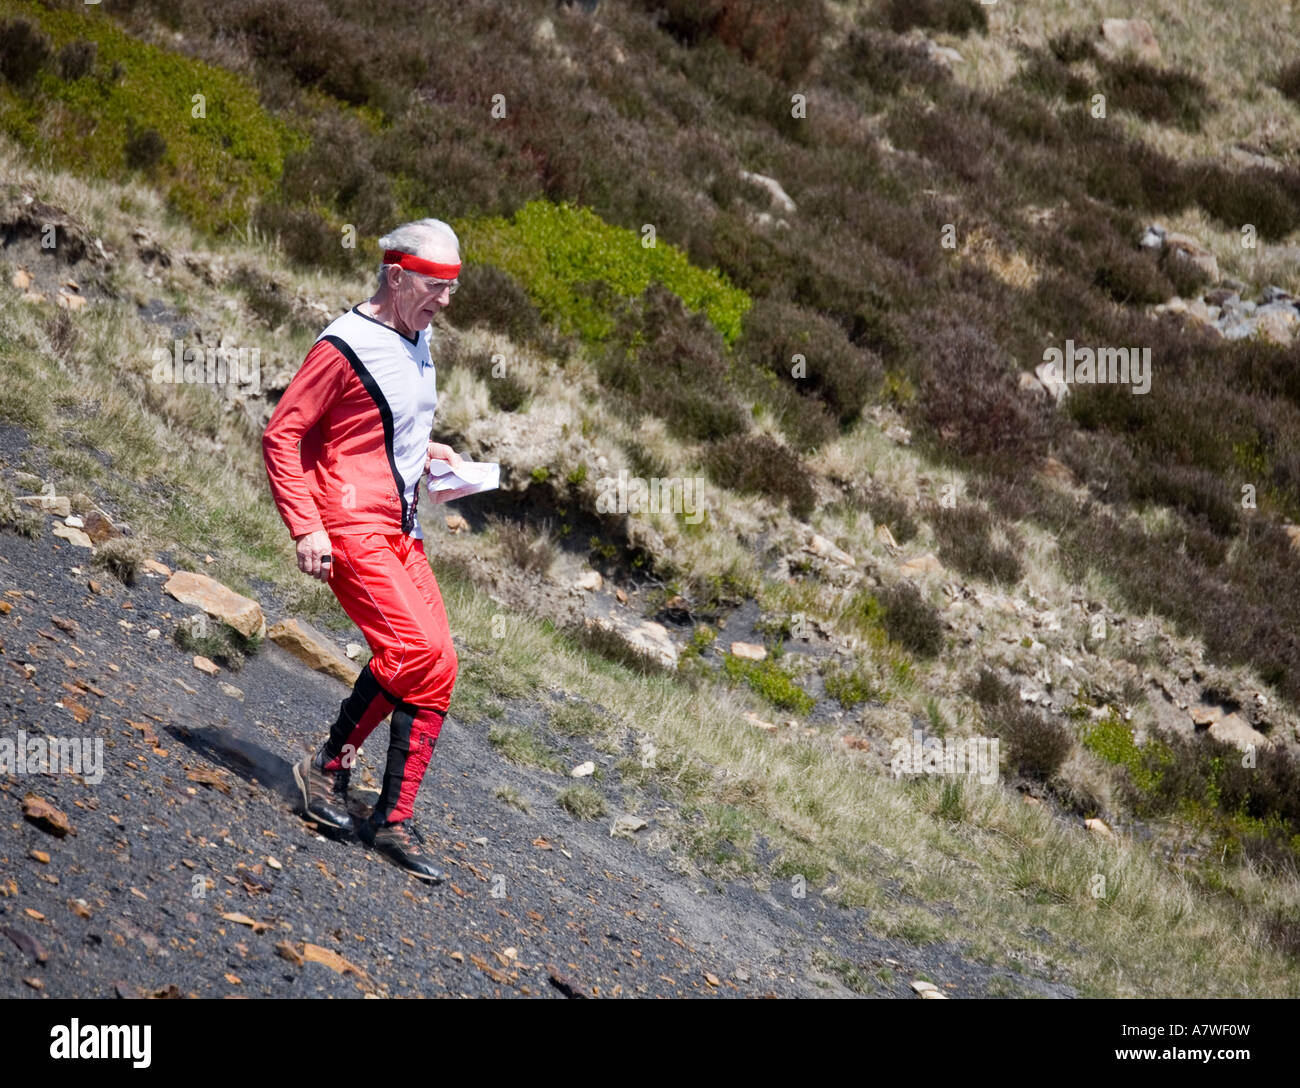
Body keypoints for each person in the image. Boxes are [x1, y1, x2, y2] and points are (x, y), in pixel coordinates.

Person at [261, 218, 464, 882]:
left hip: (403, 527)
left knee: (440, 666)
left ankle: (391, 819)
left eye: (454, 286)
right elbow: (280, 436)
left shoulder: (420, 333)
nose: (446, 300)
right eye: (436, 286)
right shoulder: (344, 345)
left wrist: (427, 455)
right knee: (411, 652)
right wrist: (305, 527)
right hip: (348, 525)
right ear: (398, 277)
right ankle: (325, 770)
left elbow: (385, 425)